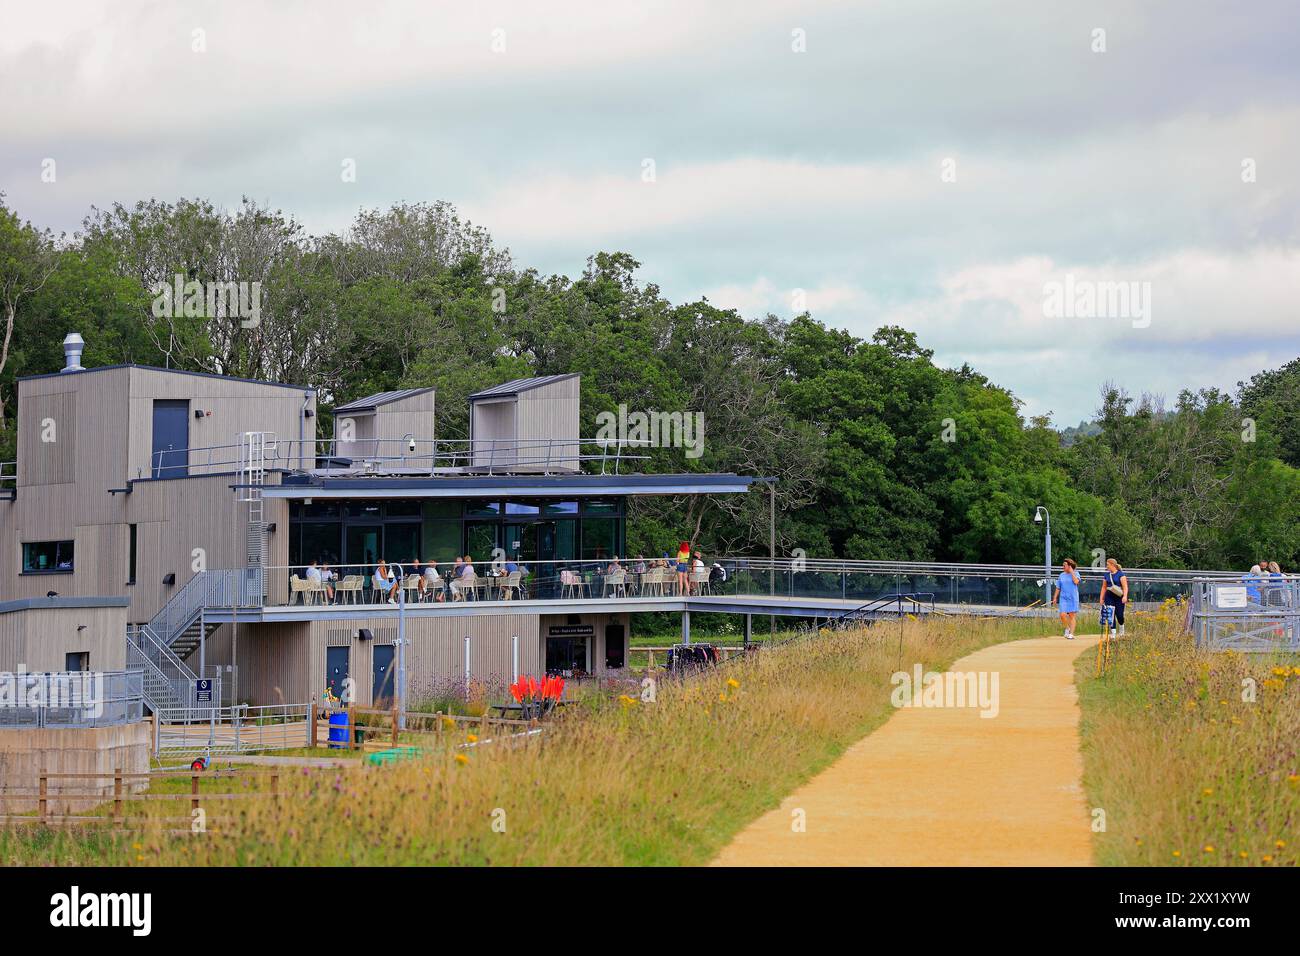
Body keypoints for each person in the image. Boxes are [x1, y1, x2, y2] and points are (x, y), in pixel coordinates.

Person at [1052, 558, 1081, 639]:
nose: (1063, 567)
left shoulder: (1076, 573)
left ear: (1069, 566)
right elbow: (1058, 587)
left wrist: (1072, 572)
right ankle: (1067, 628)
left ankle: (1071, 634)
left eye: (1064, 565)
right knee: (1062, 614)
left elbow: (1076, 582)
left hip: (1073, 597)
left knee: (1072, 615)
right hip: (1063, 598)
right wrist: (1055, 597)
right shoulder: (1061, 575)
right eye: (1063, 565)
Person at [1100, 558, 1128, 637]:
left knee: (1119, 615)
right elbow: (1104, 587)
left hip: (1119, 596)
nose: (1107, 566)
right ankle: (1113, 633)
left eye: (1108, 564)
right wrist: (1101, 598)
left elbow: (1125, 587)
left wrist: (1125, 596)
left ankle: (1121, 627)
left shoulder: (1121, 575)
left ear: (1112, 564)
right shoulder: (1106, 575)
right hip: (1109, 596)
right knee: (1110, 614)